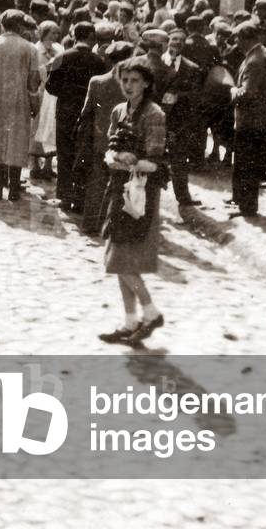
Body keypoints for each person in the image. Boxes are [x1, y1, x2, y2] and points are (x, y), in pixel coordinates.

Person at [97, 59, 167, 346]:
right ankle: (130, 321)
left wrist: (132, 161)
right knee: (117, 258)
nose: (128, 85)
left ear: (147, 83)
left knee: (121, 258)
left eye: (134, 80)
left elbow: (157, 161)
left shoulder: (154, 114)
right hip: (118, 187)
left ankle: (150, 312)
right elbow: (109, 150)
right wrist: (115, 158)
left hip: (141, 192)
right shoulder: (118, 111)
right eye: (124, 79)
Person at [0, 9, 41, 201]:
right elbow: (33, 81)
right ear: (20, 26)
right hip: (19, 102)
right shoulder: (30, 49)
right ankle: (13, 188)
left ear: (3, 24)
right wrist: (34, 104)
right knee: (16, 141)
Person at [45, 21, 108, 211]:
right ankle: (80, 198)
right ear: (91, 37)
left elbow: (50, 87)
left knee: (64, 154)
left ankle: (64, 196)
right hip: (87, 114)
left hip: (65, 111)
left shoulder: (62, 57)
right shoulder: (98, 61)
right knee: (83, 155)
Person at [76, 41, 136, 236]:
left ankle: (89, 224)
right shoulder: (132, 86)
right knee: (119, 185)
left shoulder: (97, 81)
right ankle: (110, 227)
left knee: (96, 183)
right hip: (124, 141)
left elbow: (86, 111)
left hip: (100, 139)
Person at [229, 22, 266, 217]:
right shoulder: (265, 54)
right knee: (249, 163)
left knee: (246, 163)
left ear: (246, 38)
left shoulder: (254, 60)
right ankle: (242, 201)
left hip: (250, 121)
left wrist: (233, 91)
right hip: (259, 119)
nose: (236, 43)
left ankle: (247, 206)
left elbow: (248, 92)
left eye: (238, 38)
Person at [160, 28, 202, 206]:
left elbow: (196, 95)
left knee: (178, 160)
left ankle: (183, 197)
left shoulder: (191, 68)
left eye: (181, 40)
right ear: (168, 40)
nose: (177, 43)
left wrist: (179, 96)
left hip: (178, 121)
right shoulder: (157, 62)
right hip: (155, 119)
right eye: (174, 39)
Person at [29, 20, 62, 180]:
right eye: (51, 33)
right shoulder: (35, 50)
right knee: (36, 127)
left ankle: (48, 164)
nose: (55, 36)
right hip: (40, 92)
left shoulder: (59, 50)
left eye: (57, 33)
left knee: (51, 128)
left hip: (54, 94)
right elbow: (34, 72)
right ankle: (34, 164)